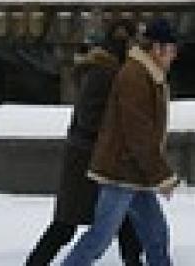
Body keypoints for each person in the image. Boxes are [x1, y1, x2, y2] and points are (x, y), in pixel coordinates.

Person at [58, 16, 180, 266]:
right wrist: (162, 176)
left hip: (133, 173)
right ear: (156, 48)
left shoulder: (147, 74)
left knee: (156, 235)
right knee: (100, 239)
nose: (174, 56)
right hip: (121, 173)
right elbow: (138, 133)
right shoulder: (135, 77)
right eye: (170, 50)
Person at [24, 20, 143, 266]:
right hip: (86, 162)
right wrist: (117, 131)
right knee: (66, 225)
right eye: (134, 42)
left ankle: (134, 261)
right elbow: (89, 117)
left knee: (122, 217)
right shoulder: (103, 72)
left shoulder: (110, 69)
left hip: (96, 159)